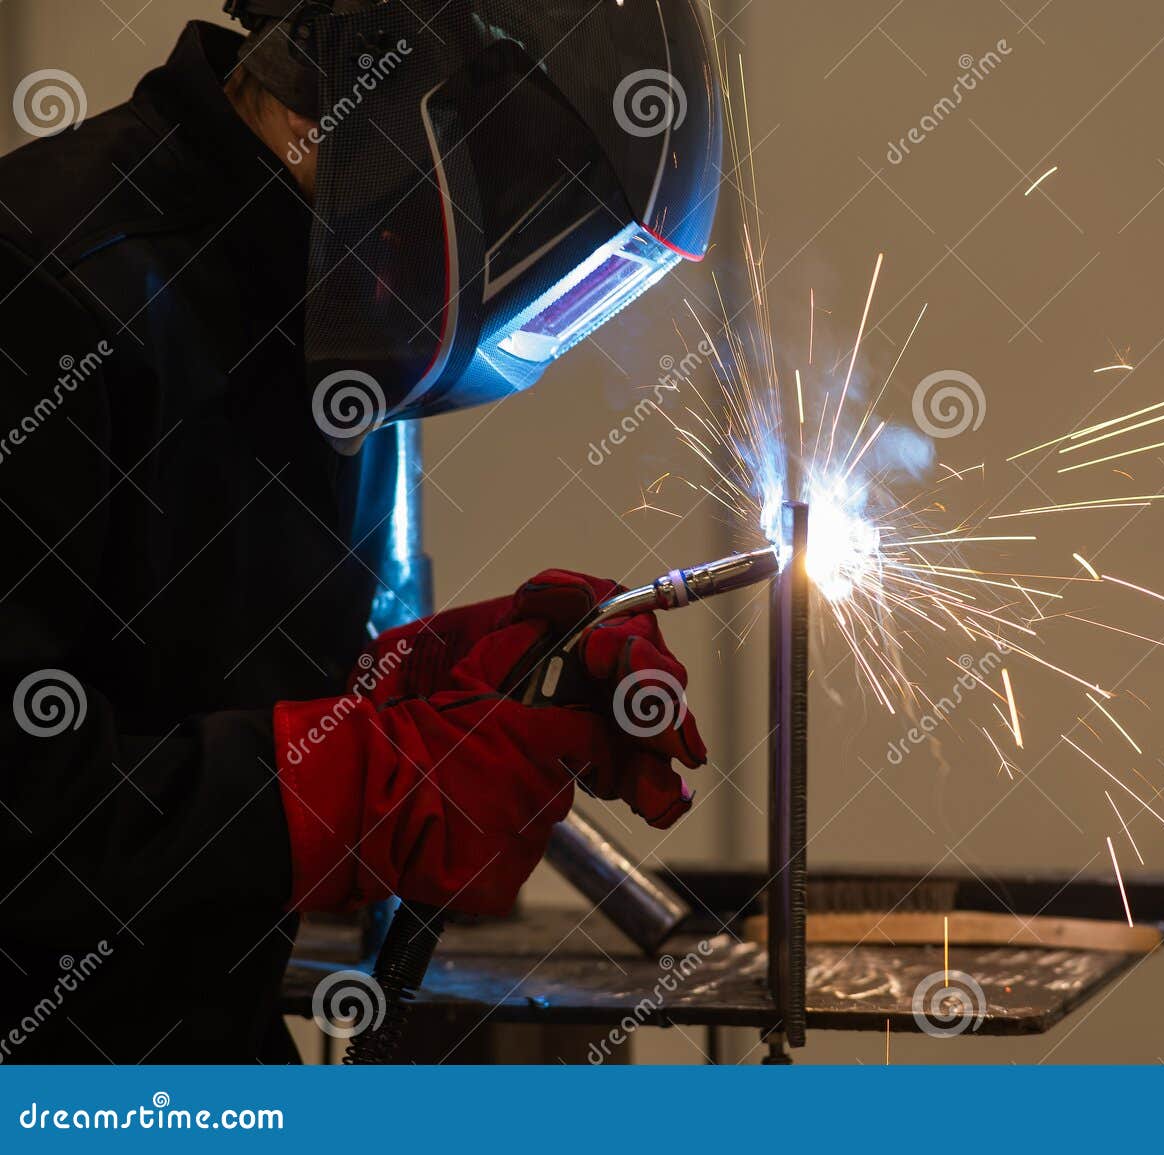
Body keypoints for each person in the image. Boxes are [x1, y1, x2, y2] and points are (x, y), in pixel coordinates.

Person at [0, 0, 721, 1062]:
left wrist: (429, 692)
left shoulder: (325, 314)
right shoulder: (43, 279)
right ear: (400, 98)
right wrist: (355, 785)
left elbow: (191, 699)